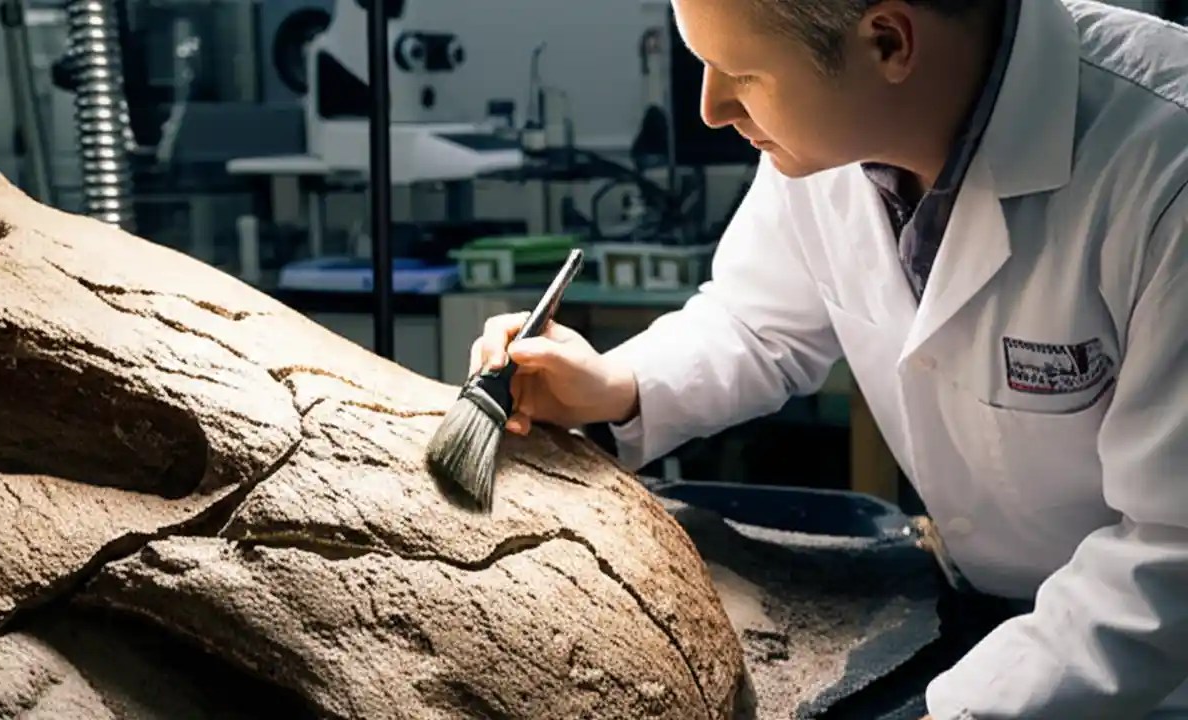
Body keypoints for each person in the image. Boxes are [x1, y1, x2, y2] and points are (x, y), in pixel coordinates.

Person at [470, 0, 1188, 717]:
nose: (711, 108)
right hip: (976, 607)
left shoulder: (1164, 168)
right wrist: (618, 386)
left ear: (887, 41)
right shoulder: (836, 138)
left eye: (741, 74)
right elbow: (757, 323)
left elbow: (1171, 553)